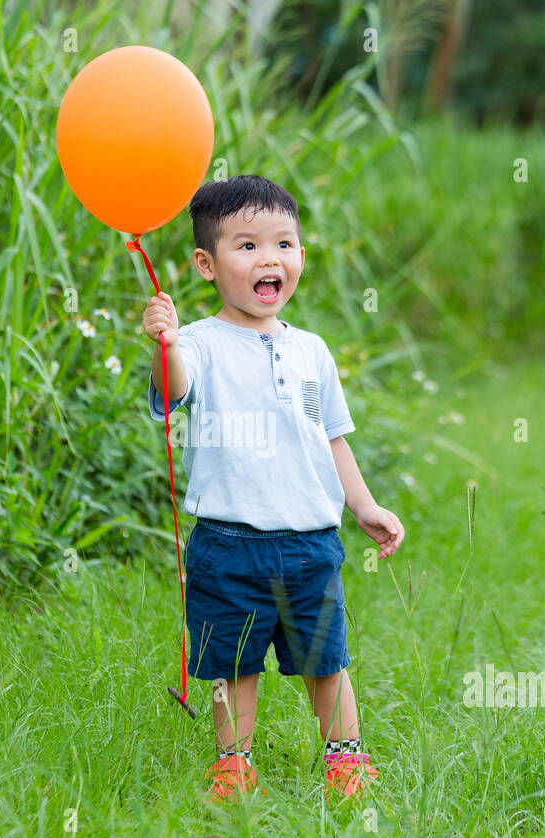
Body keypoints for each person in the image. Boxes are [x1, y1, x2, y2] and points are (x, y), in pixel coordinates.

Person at [143, 175, 405, 800]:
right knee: (232, 665)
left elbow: (333, 437)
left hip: (311, 542)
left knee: (326, 658)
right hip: (227, 544)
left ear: (301, 258)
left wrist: (363, 505)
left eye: (284, 244)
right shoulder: (201, 345)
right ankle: (233, 763)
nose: (270, 259)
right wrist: (168, 343)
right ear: (207, 264)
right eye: (248, 245)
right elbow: (174, 392)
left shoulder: (312, 350)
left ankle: (344, 756)